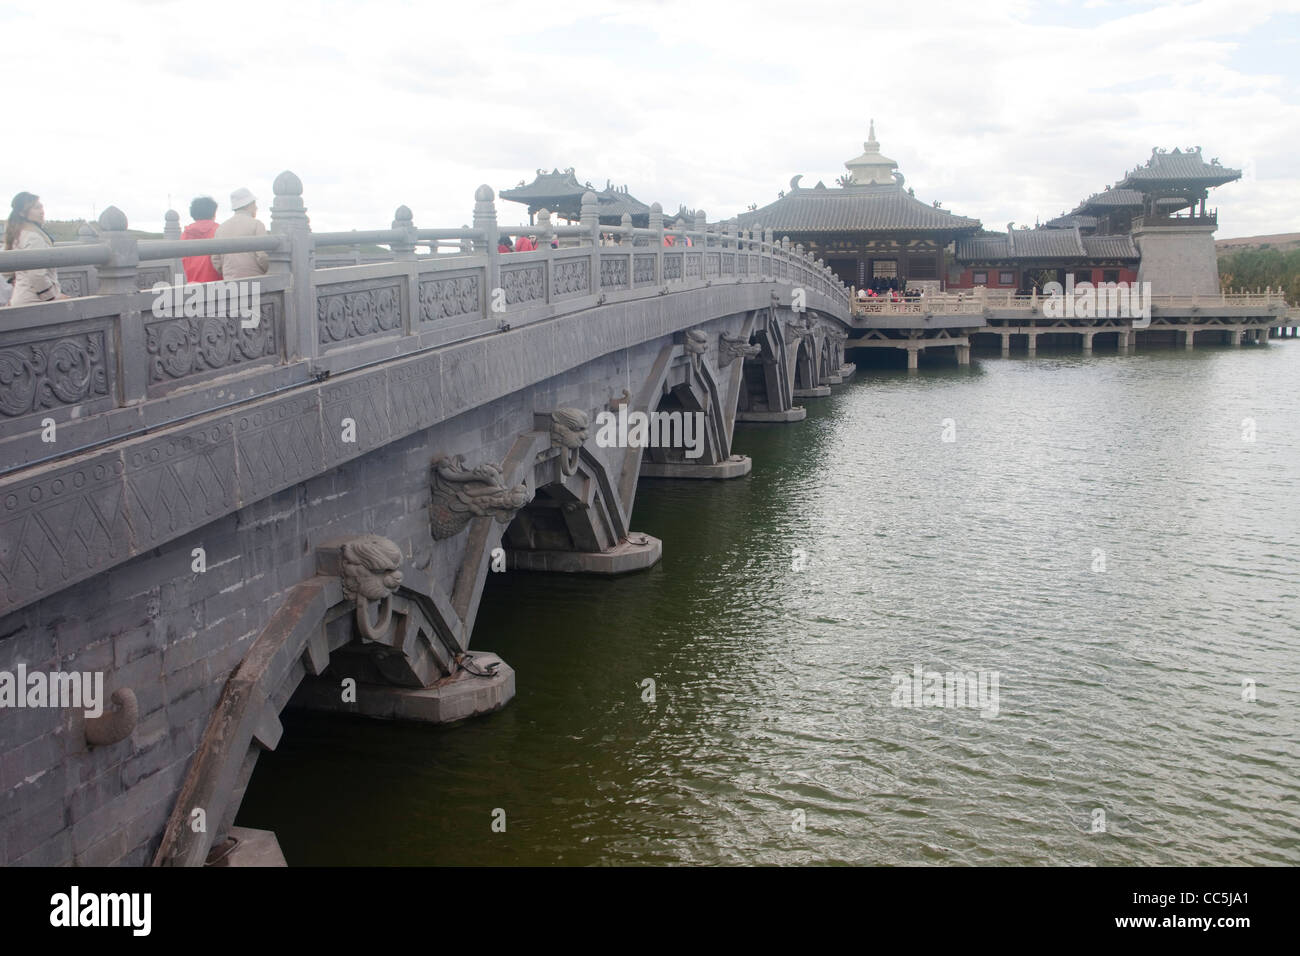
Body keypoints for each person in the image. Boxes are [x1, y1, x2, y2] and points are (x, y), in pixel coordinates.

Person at [4, 192, 67, 306]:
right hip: (35, 300)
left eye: (41, 207)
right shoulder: (33, 236)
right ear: (23, 213)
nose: (41, 211)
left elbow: (6, 268)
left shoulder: (18, 232)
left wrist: (15, 280)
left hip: (21, 297)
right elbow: (37, 274)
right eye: (36, 208)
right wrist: (52, 297)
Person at [212, 187, 269, 279]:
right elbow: (262, 256)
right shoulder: (257, 224)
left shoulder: (221, 229)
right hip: (256, 280)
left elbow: (216, 260)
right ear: (249, 205)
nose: (256, 208)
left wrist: (228, 273)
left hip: (230, 283)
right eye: (255, 204)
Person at [181, 196, 222, 283]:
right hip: (219, 286)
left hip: (193, 285)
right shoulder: (220, 231)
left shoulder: (185, 234)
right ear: (213, 213)